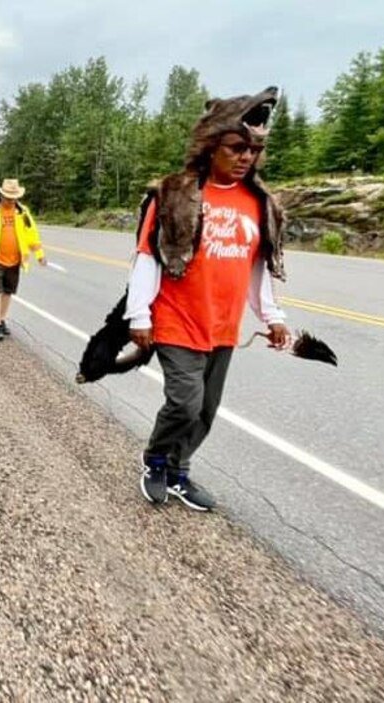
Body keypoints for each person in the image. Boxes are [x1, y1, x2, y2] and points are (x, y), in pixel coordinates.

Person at [124, 87, 290, 512]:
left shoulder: (259, 202)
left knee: (206, 410)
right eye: (236, 147)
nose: (246, 157)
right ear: (211, 146)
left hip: (223, 325)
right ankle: (155, 461)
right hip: (177, 318)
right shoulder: (175, 194)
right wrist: (138, 314)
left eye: (253, 149)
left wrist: (271, 315)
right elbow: (148, 257)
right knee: (185, 401)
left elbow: (258, 265)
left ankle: (179, 473)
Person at [0, 178, 46, 341]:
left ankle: (2, 319)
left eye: (14, 197)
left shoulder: (23, 212)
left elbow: (31, 233)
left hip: (15, 260)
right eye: (8, 196)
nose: (11, 200)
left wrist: (39, 254)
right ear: (1, 195)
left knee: (8, 291)